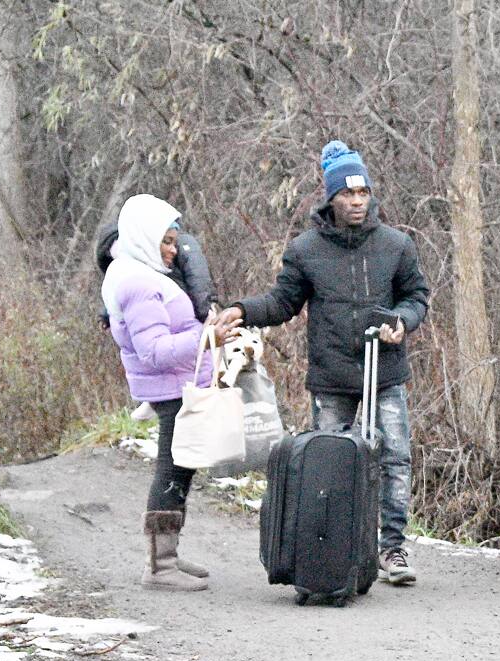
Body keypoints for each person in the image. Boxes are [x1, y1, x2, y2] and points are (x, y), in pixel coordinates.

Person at [209, 141, 431, 587]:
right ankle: (342, 546)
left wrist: (402, 323)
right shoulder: (306, 250)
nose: (356, 202)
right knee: (330, 463)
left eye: (363, 193)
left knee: (395, 458)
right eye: (348, 195)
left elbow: (416, 297)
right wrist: (242, 310)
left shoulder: (395, 245)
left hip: (384, 373)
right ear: (331, 198)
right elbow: (282, 302)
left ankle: (392, 548)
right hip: (332, 377)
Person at [100, 194, 214, 593]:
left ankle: (168, 554)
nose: (173, 251)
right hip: (170, 388)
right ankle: (159, 565)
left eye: (174, 241)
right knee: (170, 469)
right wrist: (208, 335)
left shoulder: (142, 273)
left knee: (180, 469)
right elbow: (154, 351)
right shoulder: (137, 283)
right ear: (144, 238)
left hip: (179, 385)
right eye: (165, 241)